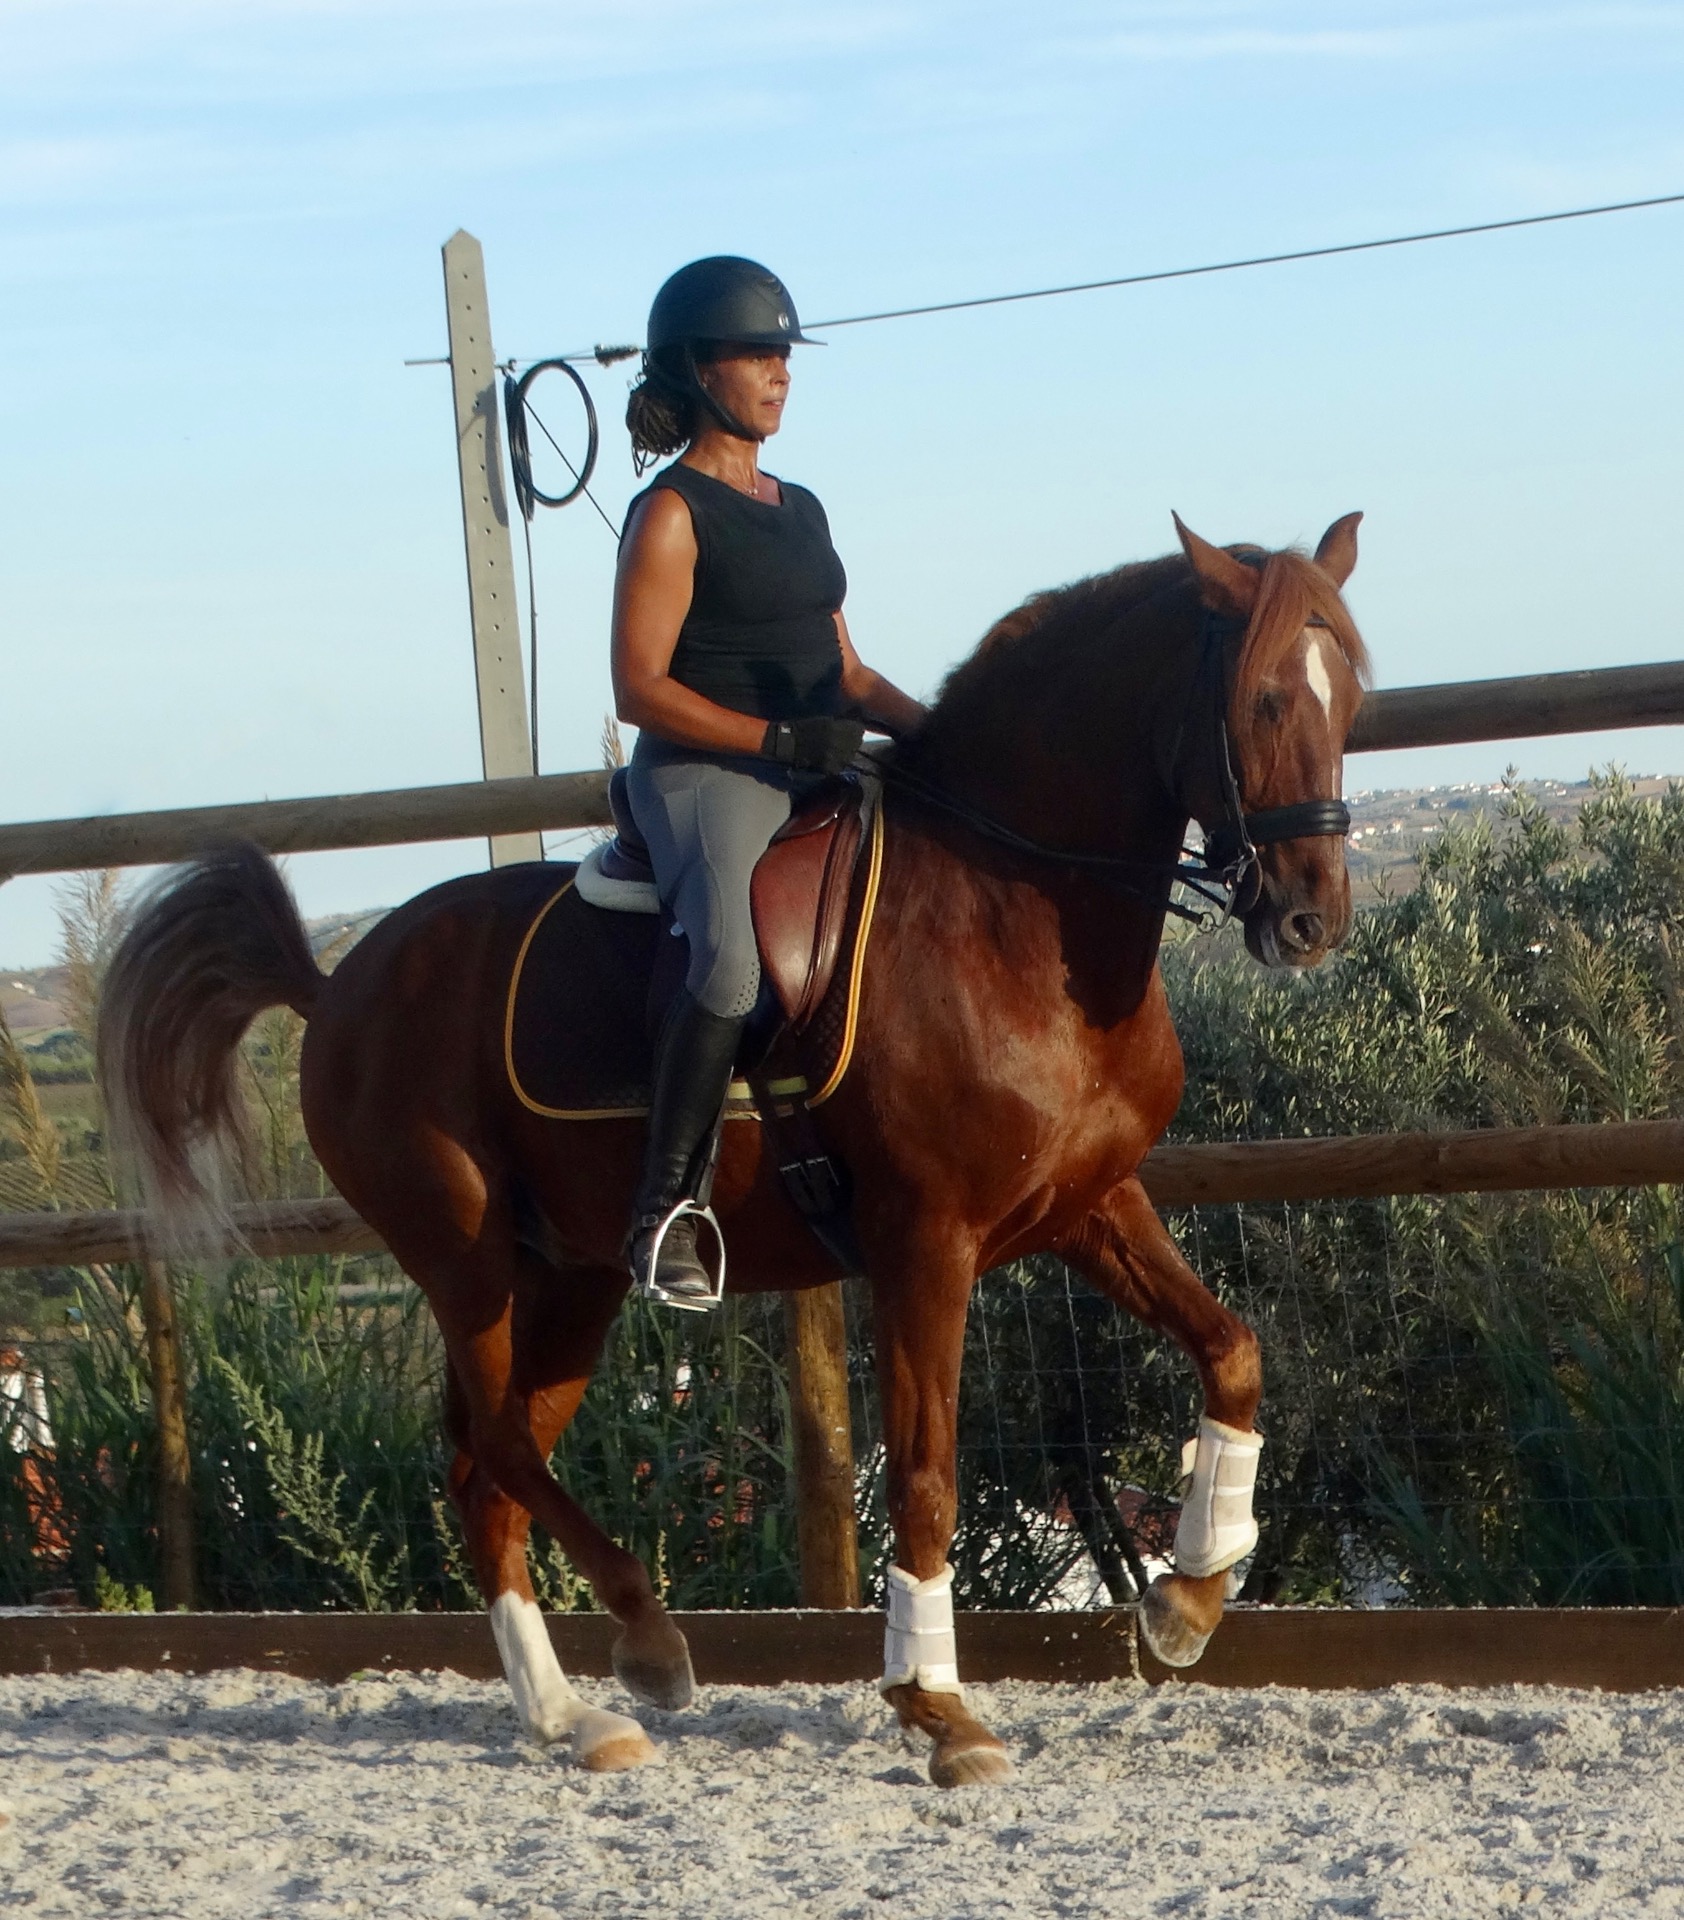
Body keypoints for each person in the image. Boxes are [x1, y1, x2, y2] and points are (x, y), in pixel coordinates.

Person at [612, 256, 924, 1306]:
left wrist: (941, 732)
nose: (779, 372)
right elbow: (638, 687)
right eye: (757, 353)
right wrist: (776, 742)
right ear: (699, 370)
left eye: (784, 353)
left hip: (816, 759)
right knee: (733, 966)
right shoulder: (669, 514)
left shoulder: (801, 507)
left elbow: (846, 669)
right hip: (709, 773)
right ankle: (666, 1212)